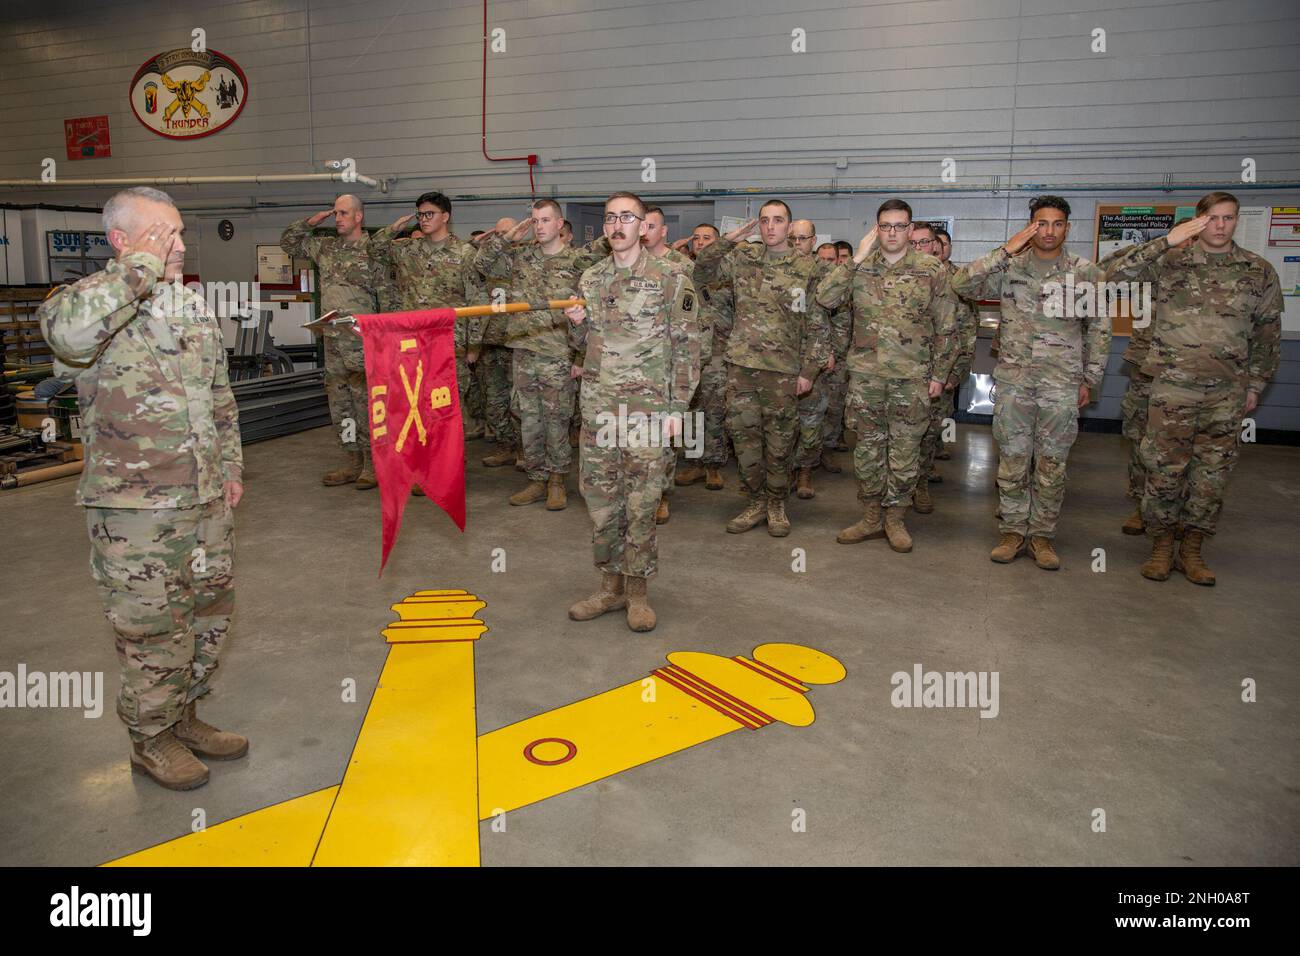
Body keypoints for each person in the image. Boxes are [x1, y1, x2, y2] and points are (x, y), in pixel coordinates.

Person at [38, 187, 246, 791]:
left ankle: (184, 716)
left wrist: (230, 468)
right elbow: (69, 339)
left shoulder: (190, 307)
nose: (178, 245)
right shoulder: (81, 302)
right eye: (164, 235)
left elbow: (219, 396)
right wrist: (138, 272)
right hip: (134, 509)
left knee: (208, 611)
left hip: (204, 498)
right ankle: (149, 739)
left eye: (179, 233)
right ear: (122, 241)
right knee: (151, 626)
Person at [1104, 192, 1283, 584]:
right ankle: (1162, 544)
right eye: (1213, 218)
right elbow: (1110, 275)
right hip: (1173, 389)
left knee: (1212, 475)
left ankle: (1193, 548)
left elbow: (1267, 334)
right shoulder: (1170, 262)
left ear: (1237, 221)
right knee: (1165, 471)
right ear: (1198, 221)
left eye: (1229, 218)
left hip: (1226, 393)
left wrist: (1256, 384)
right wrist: (1166, 241)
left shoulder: (1258, 270)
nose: (1221, 225)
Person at [952, 196, 1110, 570]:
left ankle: (1042, 536)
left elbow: (1100, 331)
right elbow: (963, 283)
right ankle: (1012, 532)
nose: (1050, 231)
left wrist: (1090, 379)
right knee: (1012, 461)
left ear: (1068, 228)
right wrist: (1006, 248)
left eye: (1057, 223)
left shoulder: (1086, 273)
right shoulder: (1010, 268)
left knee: (1052, 464)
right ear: (1030, 226)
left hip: (1061, 384)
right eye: (1041, 223)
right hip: (1015, 384)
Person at [566, 191, 700, 631]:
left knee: (642, 504)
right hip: (600, 408)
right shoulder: (590, 279)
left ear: (644, 226)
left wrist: (679, 407)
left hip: (649, 411)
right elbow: (580, 351)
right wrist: (576, 327)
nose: (617, 224)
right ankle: (609, 587)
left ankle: (638, 592)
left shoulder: (671, 277)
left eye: (627, 217)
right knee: (601, 502)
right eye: (609, 218)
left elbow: (687, 346)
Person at [816, 200, 956, 553]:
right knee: (867, 452)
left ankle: (895, 519)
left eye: (899, 226)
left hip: (912, 380)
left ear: (911, 230)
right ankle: (870, 517)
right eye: (885, 226)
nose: (892, 232)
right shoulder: (860, 268)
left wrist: (940, 374)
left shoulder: (931, 270)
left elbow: (947, 327)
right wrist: (858, 258)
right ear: (876, 229)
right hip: (866, 379)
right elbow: (825, 297)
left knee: (905, 454)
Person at [694, 200, 831, 536]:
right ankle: (755, 501)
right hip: (741, 367)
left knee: (780, 442)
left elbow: (817, 325)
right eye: (765, 221)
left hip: (784, 370)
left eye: (778, 221)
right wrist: (728, 239)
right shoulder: (743, 258)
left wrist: (809, 372)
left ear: (789, 226)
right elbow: (701, 270)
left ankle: (776, 503)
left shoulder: (807, 268)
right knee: (745, 441)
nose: (771, 227)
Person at [473, 200, 609, 510]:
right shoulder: (520, 257)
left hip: (558, 352)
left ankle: (557, 480)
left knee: (557, 420)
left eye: (546, 220)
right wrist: (508, 237)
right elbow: (481, 265)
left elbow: (606, 254)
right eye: (535, 220)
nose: (540, 226)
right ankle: (536, 478)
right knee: (528, 419)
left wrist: (579, 357)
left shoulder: (576, 261)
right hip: (523, 350)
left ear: (561, 225)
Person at [280, 194, 389, 489]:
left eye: (344, 213)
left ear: (358, 217)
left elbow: (388, 296)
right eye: (336, 213)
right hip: (332, 339)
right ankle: (351, 461)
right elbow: (289, 243)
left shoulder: (374, 249)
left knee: (366, 402)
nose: (338, 218)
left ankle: (373, 463)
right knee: (340, 403)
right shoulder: (325, 247)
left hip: (361, 339)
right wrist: (309, 223)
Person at [369, 191, 486, 448]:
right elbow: (374, 249)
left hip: (448, 345)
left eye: (429, 214)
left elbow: (477, 301)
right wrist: (392, 229)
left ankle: (448, 467)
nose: (423, 219)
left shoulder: (465, 254)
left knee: (446, 408)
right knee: (416, 406)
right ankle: (425, 466)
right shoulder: (408, 251)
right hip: (412, 344)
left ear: (445, 216)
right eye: (420, 214)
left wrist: (473, 345)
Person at [791, 221, 849, 499]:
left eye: (803, 238)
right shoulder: (781, 270)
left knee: (811, 418)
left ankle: (805, 470)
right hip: (784, 359)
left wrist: (831, 352)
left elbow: (840, 319)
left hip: (815, 357)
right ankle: (784, 471)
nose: (797, 243)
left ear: (812, 240)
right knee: (783, 420)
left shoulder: (826, 274)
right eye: (794, 238)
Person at [674, 223, 731, 490]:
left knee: (715, 410)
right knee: (692, 412)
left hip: (719, 353)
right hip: (690, 353)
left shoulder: (728, 273)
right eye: (696, 238)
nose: (700, 242)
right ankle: (695, 463)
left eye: (707, 238)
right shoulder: (682, 272)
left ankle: (714, 465)